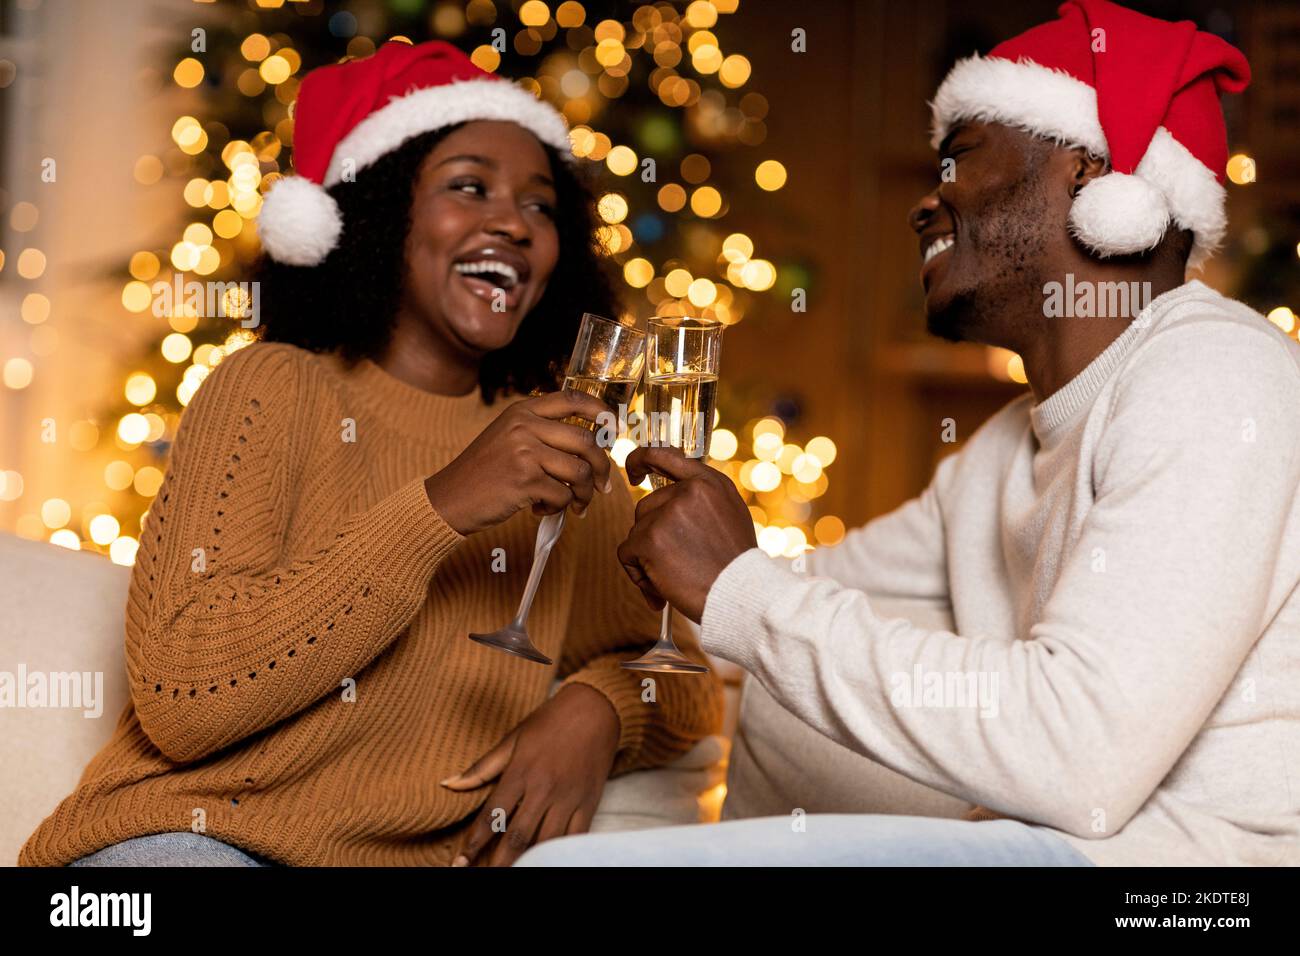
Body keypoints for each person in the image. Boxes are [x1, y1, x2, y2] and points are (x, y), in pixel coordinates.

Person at [517, 0, 1300, 867]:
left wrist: (740, 589)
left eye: (960, 157)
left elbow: (1085, 758)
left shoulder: (1217, 373)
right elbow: (772, 602)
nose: (926, 203)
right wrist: (600, 697)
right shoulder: (1002, 451)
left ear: (1089, 174)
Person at [19, 40, 721, 868]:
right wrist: (443, 505)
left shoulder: (561, 458)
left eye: (541, 207)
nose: (513, 224)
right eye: (469, 186)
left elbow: (685, 681)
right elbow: (183, 696)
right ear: (384, 212)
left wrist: (598, 712)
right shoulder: (271, 388)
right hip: (185, 846)